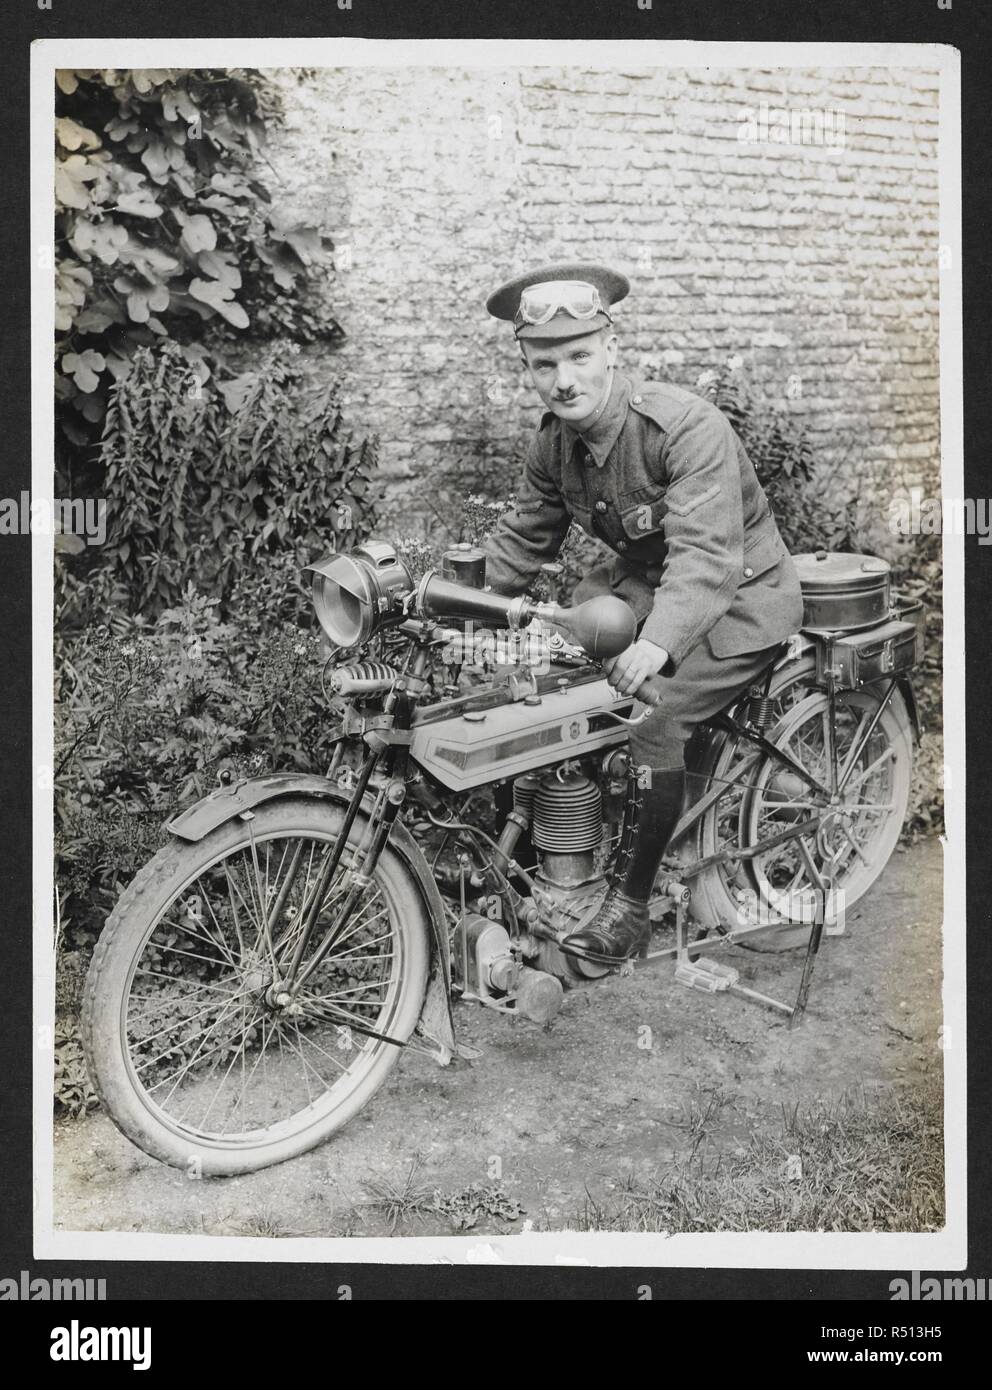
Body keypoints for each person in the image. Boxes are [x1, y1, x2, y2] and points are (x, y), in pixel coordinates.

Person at [482, 263, 805, 962]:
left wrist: (655, 647)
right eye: (545, 364)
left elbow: (706, 563)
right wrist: (452, 604)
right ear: (528, 369)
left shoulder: (683, 428)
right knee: (552, 682)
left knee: (655, 721)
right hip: (653, 590)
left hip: (742, 598)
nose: (564, 379)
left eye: (578, 357)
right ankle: (556, 858)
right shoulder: (553, 445)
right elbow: (520, 542)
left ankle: (629, 909)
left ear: (611, 349)